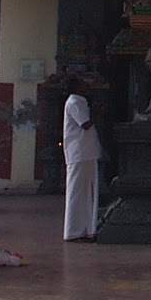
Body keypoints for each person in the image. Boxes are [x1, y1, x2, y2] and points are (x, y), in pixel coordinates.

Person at [62, 77, 101, 242]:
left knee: (86, 192)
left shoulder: (80, 101)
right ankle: (72, 231)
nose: (88, 86)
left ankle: (86, 229)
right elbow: (85, 124)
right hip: (79, 153)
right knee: (77, 192)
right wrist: (98, 113)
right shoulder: (75, 102)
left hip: (85, 153)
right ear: (77, 87)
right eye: (84, 84)